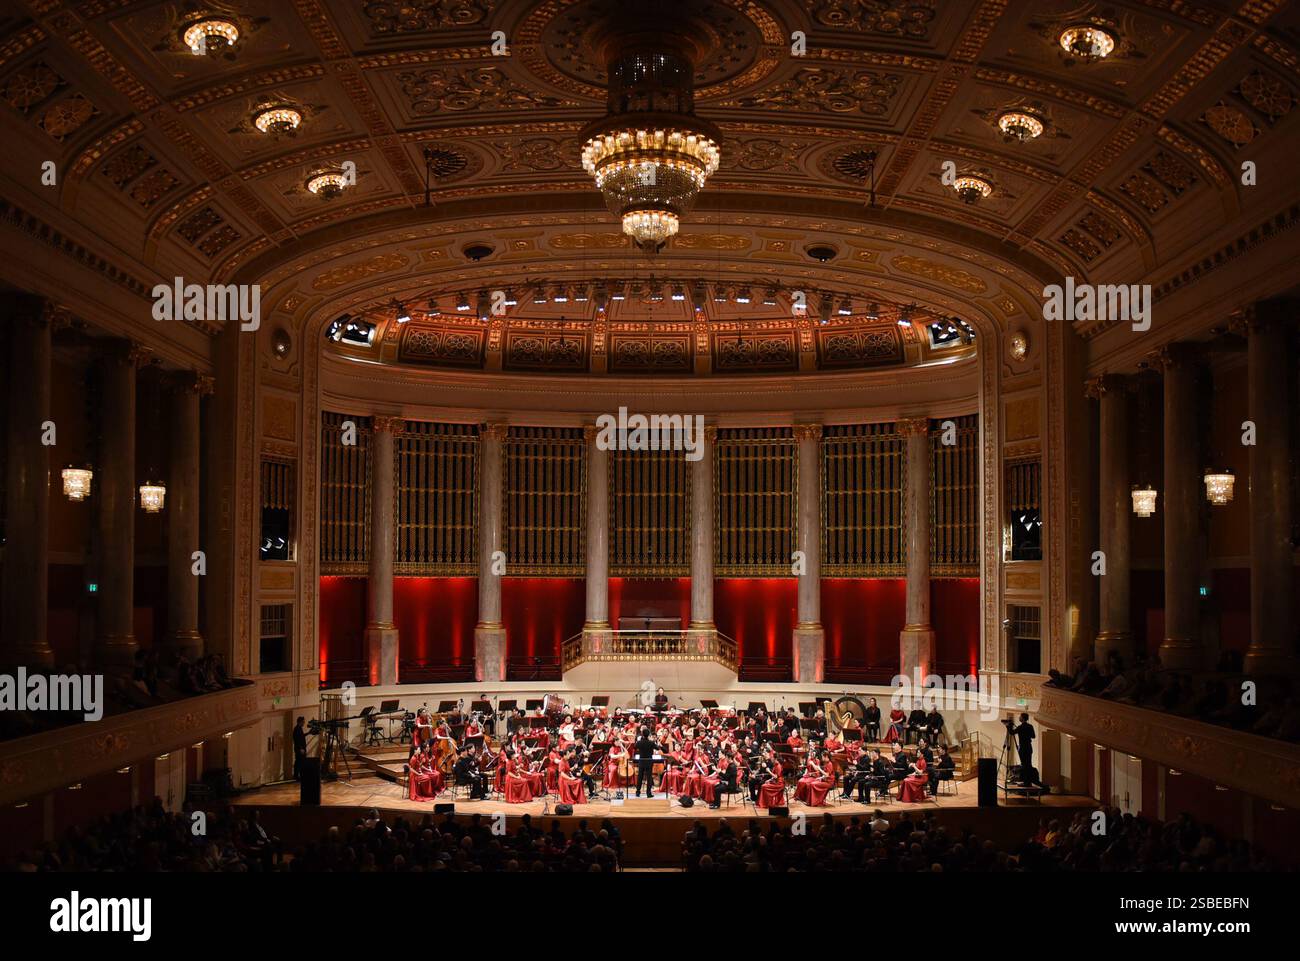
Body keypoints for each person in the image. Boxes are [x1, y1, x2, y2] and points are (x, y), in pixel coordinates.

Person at [634, 726, 657, 798]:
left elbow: (635, 747)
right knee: (649, 777)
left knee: (640, 777)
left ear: (642, 734)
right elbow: (657, 748)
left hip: (641, 761)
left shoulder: (639, 742)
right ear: (649, 734)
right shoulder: (651, 743)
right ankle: (648, 793)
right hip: (649, 762)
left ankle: (638, 792)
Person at [292, 716, 307, 780]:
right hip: (299, 749)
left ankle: (299, 775)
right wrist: (301, 748)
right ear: (300, 722)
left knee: (300, 762)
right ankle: (296, 776)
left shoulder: (299, 728)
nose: (304, 723)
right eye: (303, 721)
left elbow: (301, 736)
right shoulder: (297, 729)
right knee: (299, 762)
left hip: (301, 748)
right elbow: (297, 740)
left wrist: (308, 733)